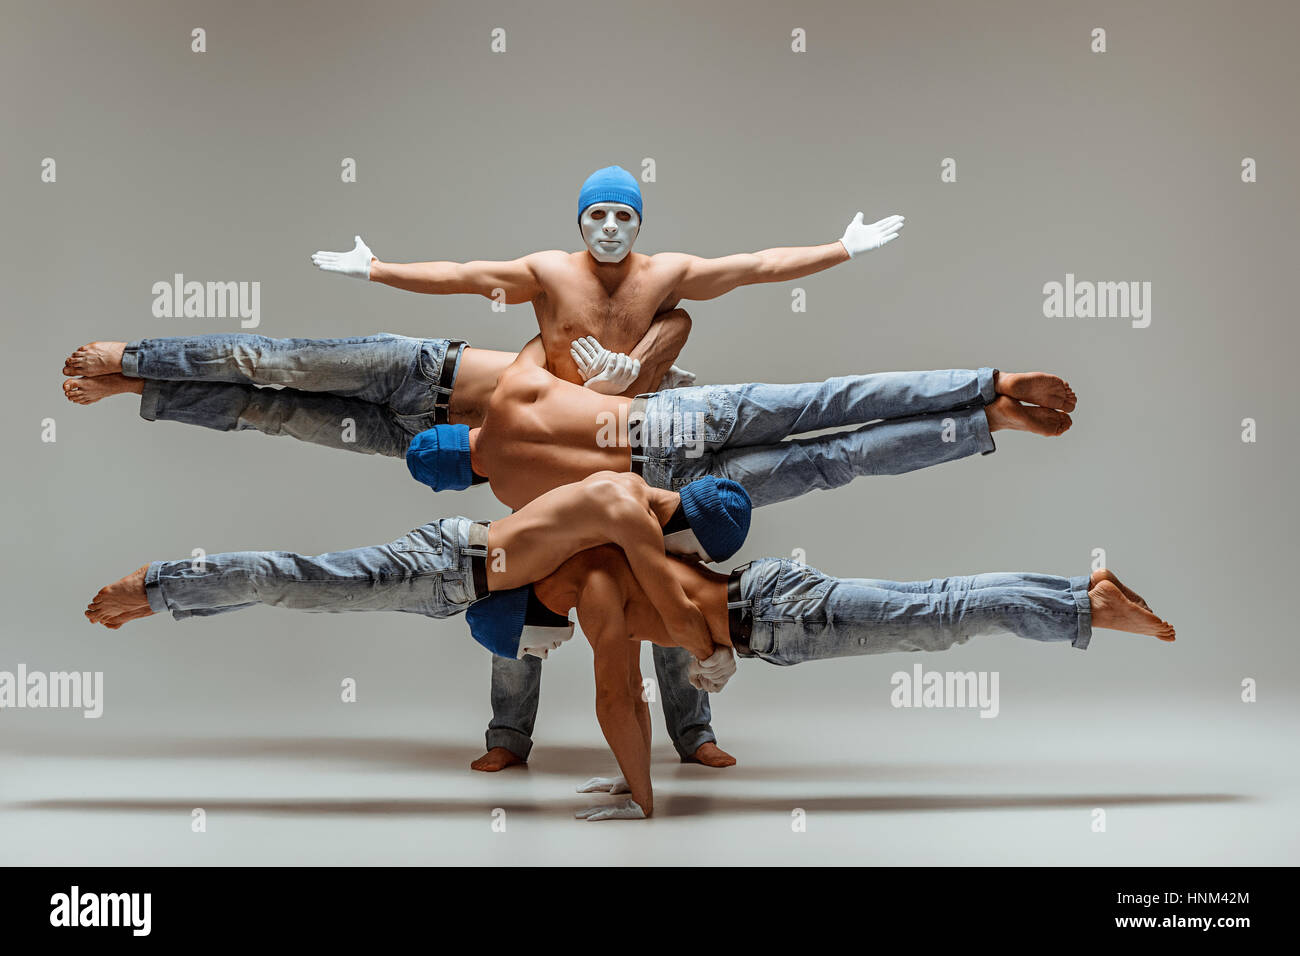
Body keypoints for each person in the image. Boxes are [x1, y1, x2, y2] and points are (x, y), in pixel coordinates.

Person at [488, 545, 1175, 821]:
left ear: (526, 611)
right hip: (769, 603)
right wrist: (629, 774)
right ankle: (1082, 594)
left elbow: (614, 698)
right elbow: (633, 692)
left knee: (939, 617)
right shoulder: (591, 568)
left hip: (780, 615)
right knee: (937, 606)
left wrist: (642, 798)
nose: (540, 652)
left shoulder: (595, 593)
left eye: (528, 645)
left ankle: (1085, 608)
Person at [83, 473, 750, 683]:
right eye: (691, 551)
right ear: (686, 527)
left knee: (301, 588)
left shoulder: (628, 495)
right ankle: (161, 583)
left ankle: (169, 591)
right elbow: (665, 591)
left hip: (454, 572)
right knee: (298, 582)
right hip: (442, 568)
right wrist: (712, 652)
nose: (686, 562)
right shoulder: (625, 511)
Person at [311, 164, 905, 388]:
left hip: (635, 396)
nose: (612, 228)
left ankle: (635, 383)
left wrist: (841, 249)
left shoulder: (668, 270)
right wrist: (375, 268)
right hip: (564, 402)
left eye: (624, 216)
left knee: (680, 319)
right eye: (599, 215)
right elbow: (461, 275)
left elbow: (755, 267)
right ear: (581, 224)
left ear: (639, 227)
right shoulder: (547, 270)